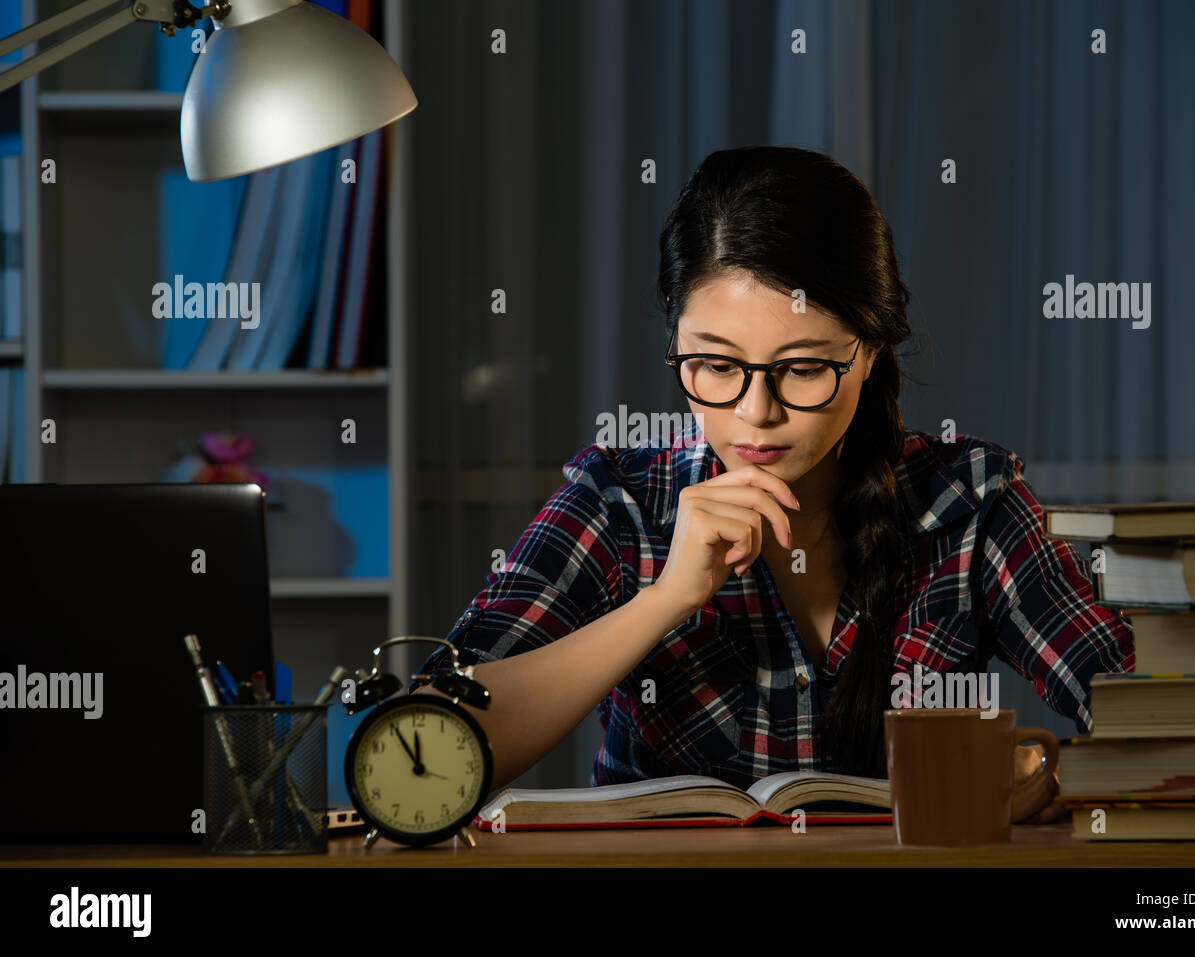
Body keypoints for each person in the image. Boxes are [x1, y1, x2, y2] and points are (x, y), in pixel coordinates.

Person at [411, 145, 1134, 823]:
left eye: (803, 368)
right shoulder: (620, 501)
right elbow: (425, 748)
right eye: (717, 366)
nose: (757, 413)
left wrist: (1046, 771)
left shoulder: (969, 504)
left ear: (872, 351)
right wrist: (664, 599)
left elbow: (1153, 711)